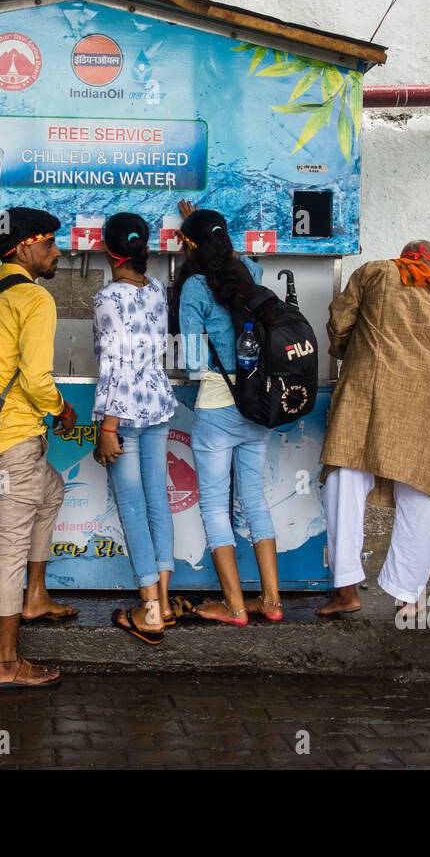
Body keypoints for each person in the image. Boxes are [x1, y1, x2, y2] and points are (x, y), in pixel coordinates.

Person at [0, 207, 78, 688]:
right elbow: (34, 379)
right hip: (11, 441)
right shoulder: (32, 298)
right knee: (11, 546)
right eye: (51, 243)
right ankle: (5, 663)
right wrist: (61, 408)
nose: (57, 252)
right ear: (26, 247)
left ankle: (35, 596)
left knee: (51, 493)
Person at [316, 241, 430, 617]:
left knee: (344, 481)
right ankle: (408, 595)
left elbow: (340, 321)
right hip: (422, 404)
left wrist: (353, 351)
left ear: (405, 257)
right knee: (418, 494)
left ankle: (347, 591)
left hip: (366, 392)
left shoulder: (376, 271)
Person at [169, 203, 277, 625]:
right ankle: (271, 600)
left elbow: (194, 359)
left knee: (215, 507)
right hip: (258, 404)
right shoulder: (250, 271)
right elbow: (229, 257)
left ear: (191, 245)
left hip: (216, 404)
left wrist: (188, 253)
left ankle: (234, 607)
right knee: (254, 500)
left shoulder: (195, 287)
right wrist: (201, 229)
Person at [92, 212, 177, 644]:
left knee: (132, 506)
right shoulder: (158, 289)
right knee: (156, 502)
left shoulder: (109, 297)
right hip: (157, 406)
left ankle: (149, 613)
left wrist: (109, 425)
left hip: (122, 415)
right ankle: (162, 598)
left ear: (108, 250)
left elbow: (115, 363)